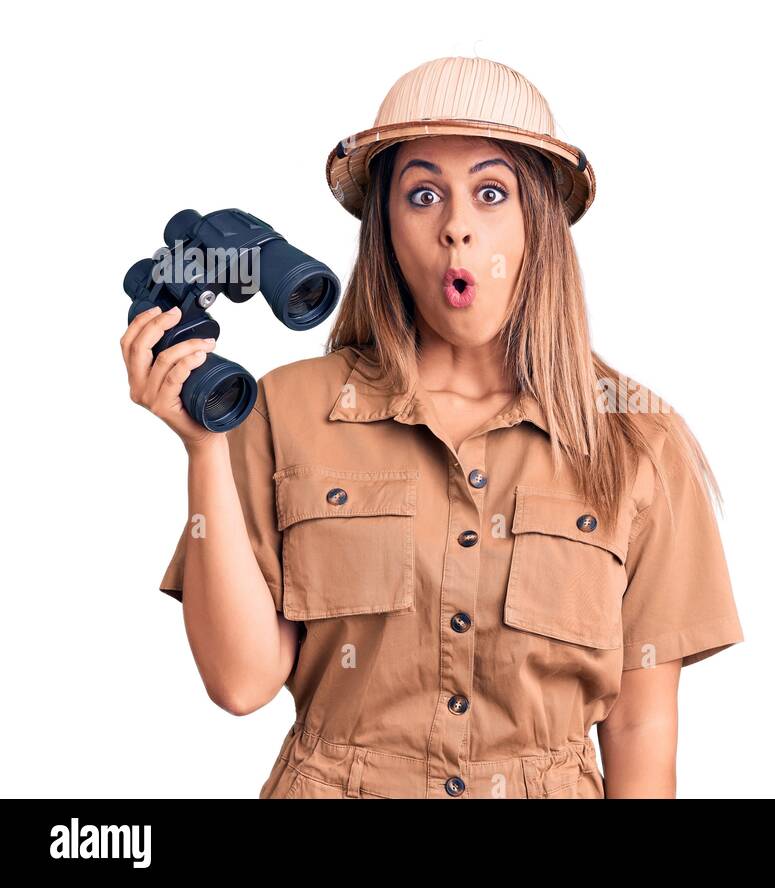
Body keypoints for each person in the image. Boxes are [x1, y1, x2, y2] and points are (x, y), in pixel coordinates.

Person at [120, 56, 743, 799]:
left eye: (490, 193)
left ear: (537, 224)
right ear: (385, 228)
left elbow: (640, 730)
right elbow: (242, 681)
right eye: (422, 196)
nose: (456, 230)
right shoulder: (282, 411)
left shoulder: (637, 443)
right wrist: (203, 448)